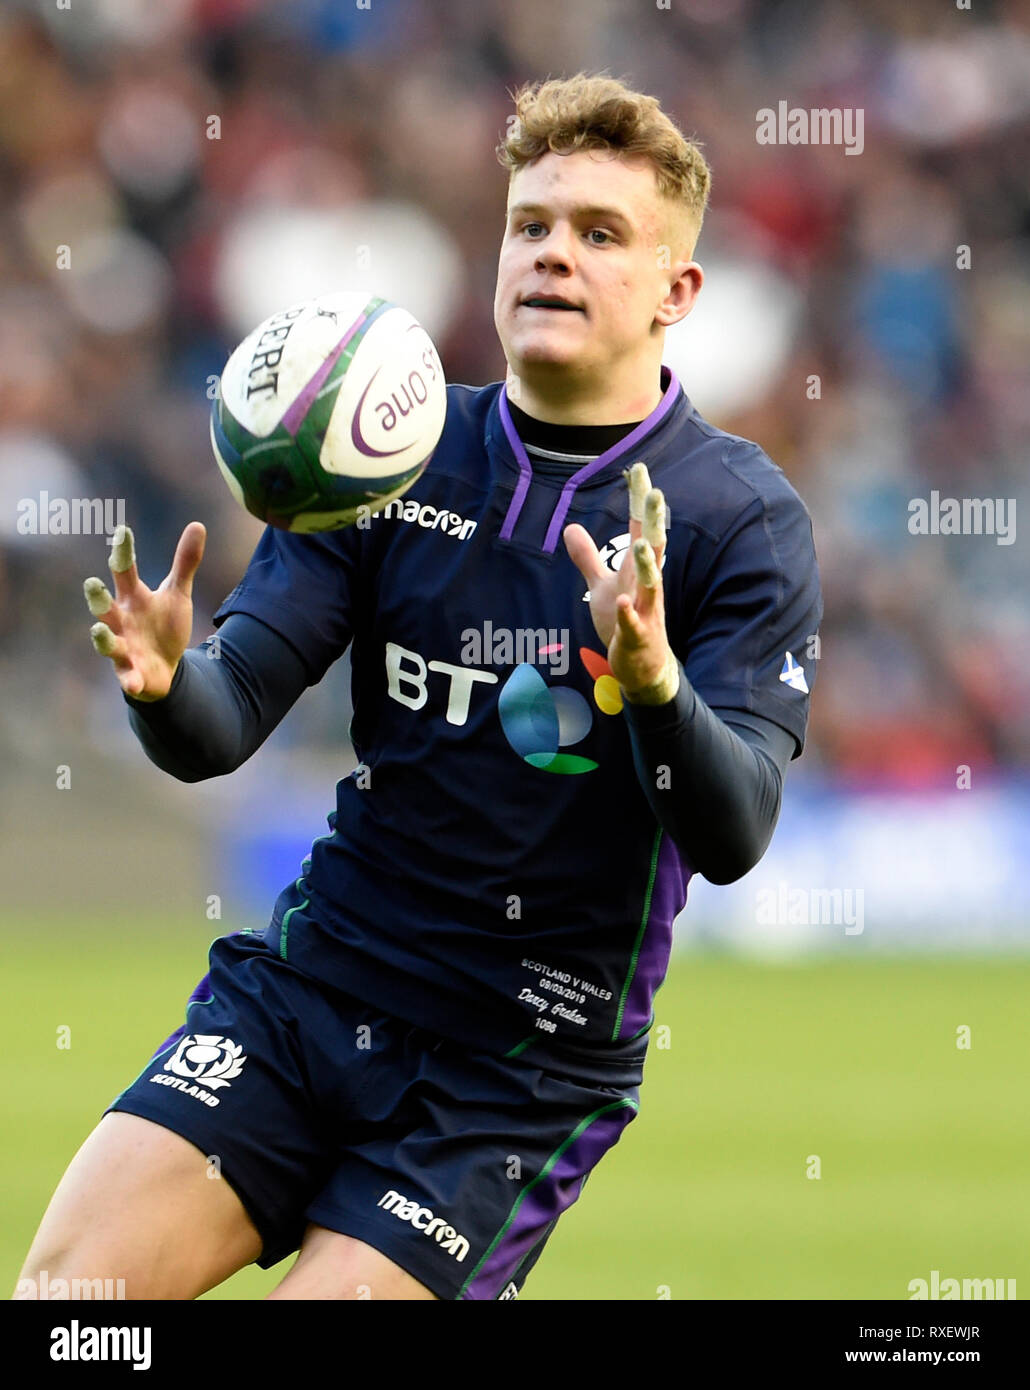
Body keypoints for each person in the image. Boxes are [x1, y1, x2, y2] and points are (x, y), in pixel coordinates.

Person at [16, 72, 821, 1301]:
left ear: (678, 290)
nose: (552, 254)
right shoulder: (383, 450)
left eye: (600, 234)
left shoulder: (735, 518)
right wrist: (167, 685)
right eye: (530, 225)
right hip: (312, 987)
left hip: (516, 1070)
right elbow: (223, 719)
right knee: (72, 1313)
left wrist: (653, 681)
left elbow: (735, 829)